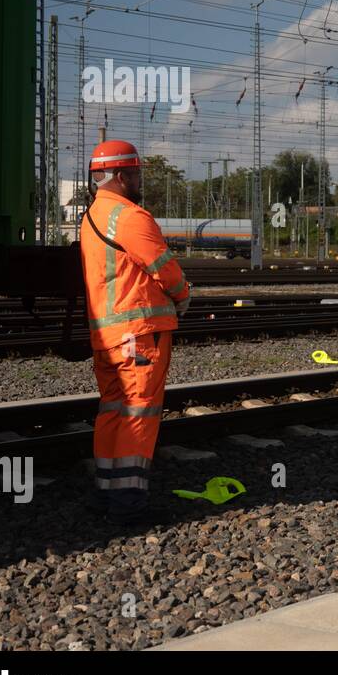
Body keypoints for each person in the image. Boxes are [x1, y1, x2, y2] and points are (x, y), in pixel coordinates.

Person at [79, 140, 190, 523]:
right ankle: (128, 504)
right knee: (138, 412)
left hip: (107, 336)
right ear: (121, 176)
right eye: (137, 174)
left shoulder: (92, 217)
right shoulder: (130, 217)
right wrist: (183, 296)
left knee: (113, 410)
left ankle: (105, 493)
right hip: (139, 334)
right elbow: (165, 269)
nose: (140, 181)